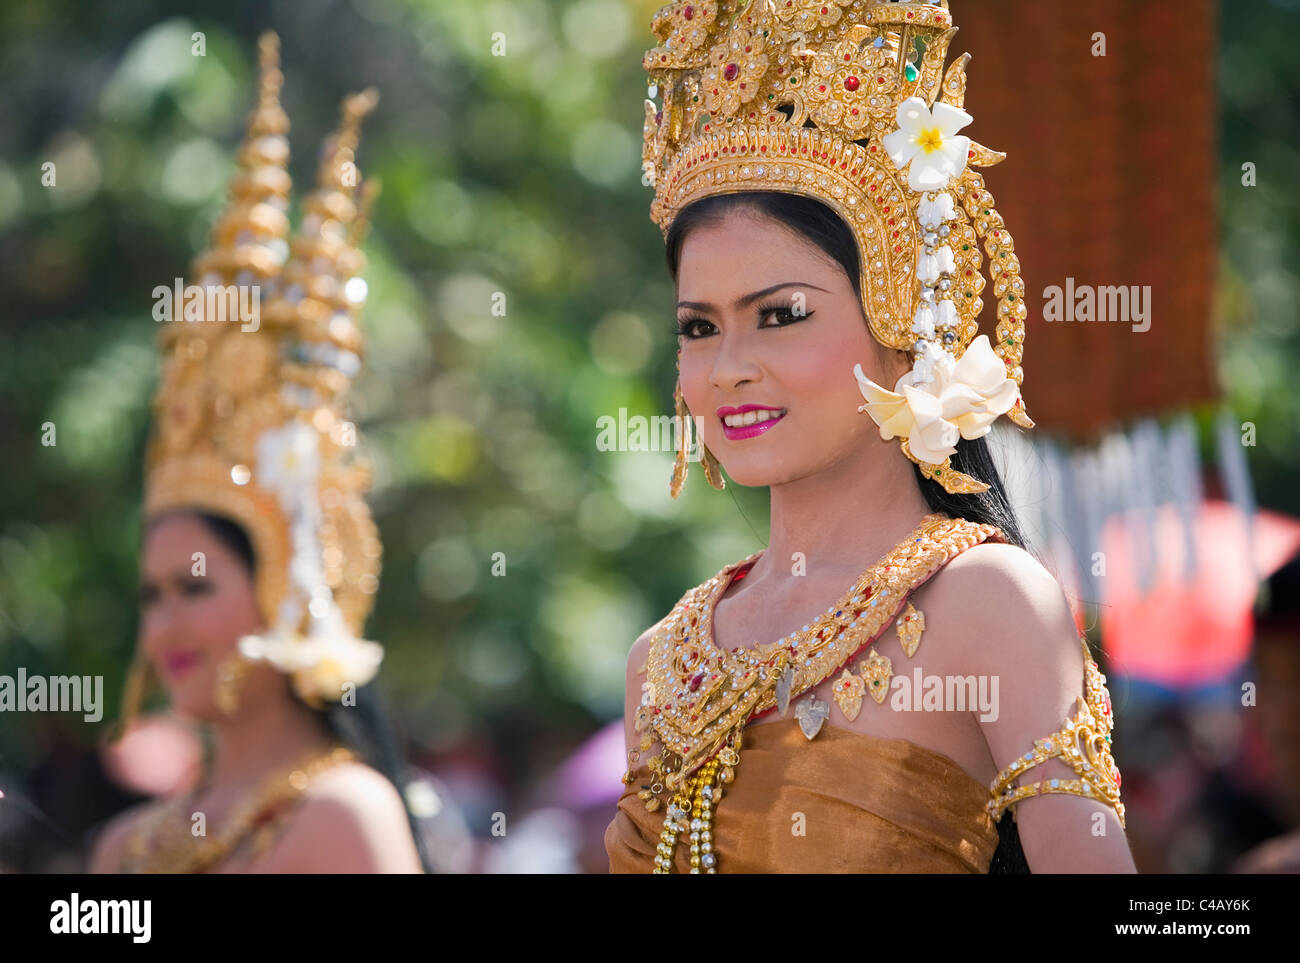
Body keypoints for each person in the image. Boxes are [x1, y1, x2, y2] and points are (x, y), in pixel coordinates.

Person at [606, 0, 1135, 873]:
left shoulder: (986, 604)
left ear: (902, 317)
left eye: (779, 315)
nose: (729, 366)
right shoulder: (660, 662)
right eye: (699, 328)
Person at [90, 33, 426, 873]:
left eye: (194, 585)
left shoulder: (341, 816)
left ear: (284, 583)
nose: (164, 622)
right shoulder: (122, 847)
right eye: (152, 593)